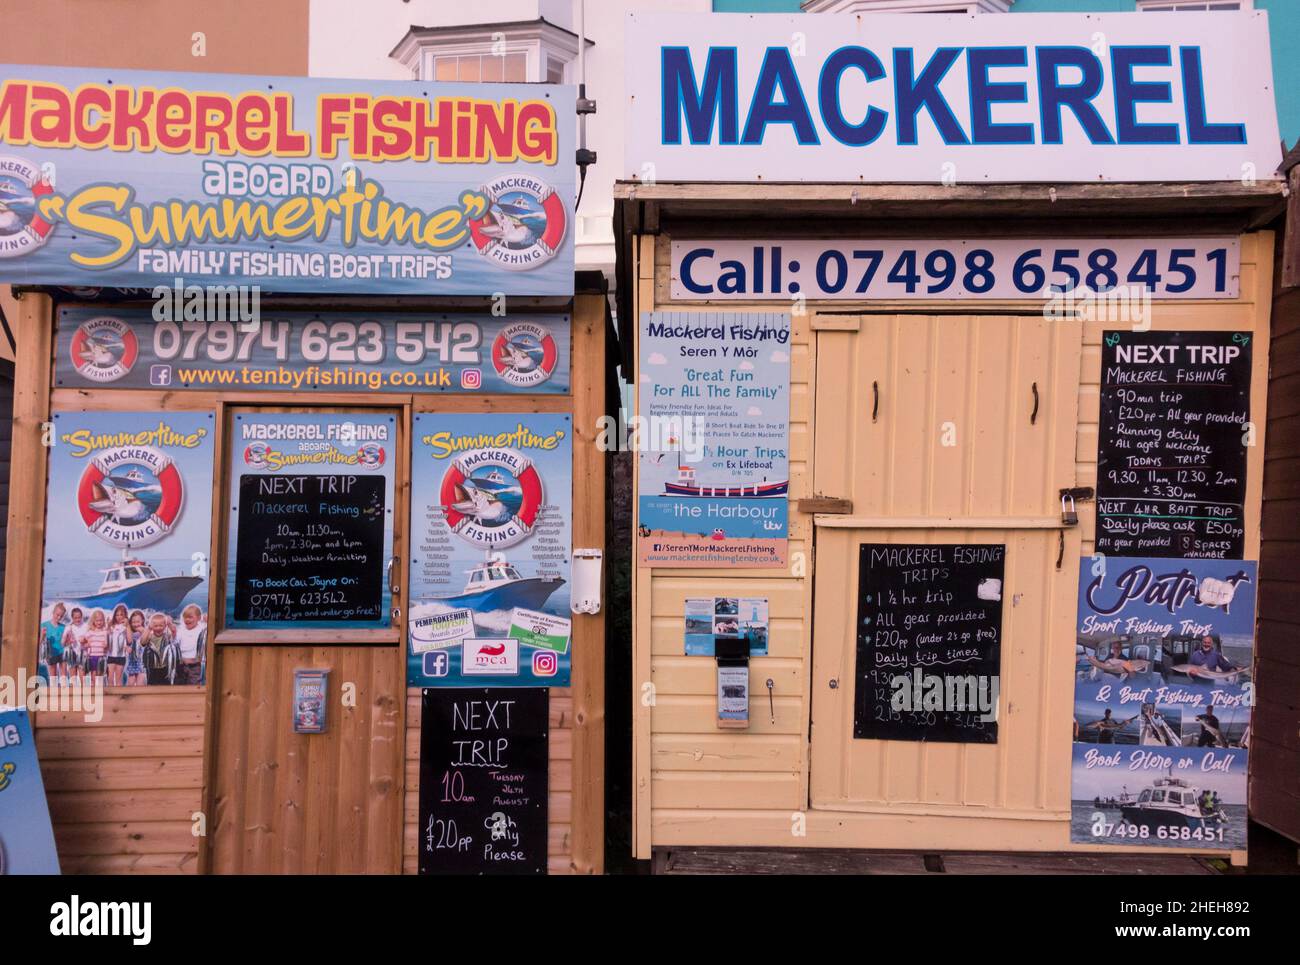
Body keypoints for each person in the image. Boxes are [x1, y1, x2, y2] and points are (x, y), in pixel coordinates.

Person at [141, 613, 178, 685]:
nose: (158, 628)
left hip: (165, 667)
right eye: (155, 626)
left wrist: (169, 624)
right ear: (152, 626)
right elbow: (142, 643)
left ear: (165, 626)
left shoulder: (167, 635)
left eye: (161, 625)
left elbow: (174, 631)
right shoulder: (149, 636)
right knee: (151, 686)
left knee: (166, 686)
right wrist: (148, 628)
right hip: (152, 667)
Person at [174, 604, 206, 686]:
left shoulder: (202, 628)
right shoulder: (181, 629)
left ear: (198, 618)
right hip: (181, 665)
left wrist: (207, 620)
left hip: (195, 666)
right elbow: (175, 642)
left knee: (193, 686)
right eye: (185, 617)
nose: (187, 619)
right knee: (179, 685)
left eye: (190, 617)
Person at [39, 603, 67, 685]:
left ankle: (64, 692)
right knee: (53, 675)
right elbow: (40, 642)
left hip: (62, 652)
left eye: (61, 616)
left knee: (63, 674)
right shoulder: (44, 625)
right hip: (50, 654)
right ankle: (53, 693)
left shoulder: (64, 627)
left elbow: (66, 642)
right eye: (57, 615)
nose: (59, 617)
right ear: (53, 612)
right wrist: (43, 635)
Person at [61, 607, 88, 684]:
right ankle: (73, 695)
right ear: (72, 618)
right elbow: (62, 643)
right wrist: (68, 641)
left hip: (83, 654)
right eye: (75, 618)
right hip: (71, 654)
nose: (77, 619)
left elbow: (89, 642)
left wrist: (84, 640)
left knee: (83, 678)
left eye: (79, 617)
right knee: (73, 679)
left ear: (82, 616)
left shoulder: (86, 626)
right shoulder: (68, 627)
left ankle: (84, 694)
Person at [106, 603, 130, 687]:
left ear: (125, 615)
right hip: (111, 655)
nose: (119, 617)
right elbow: (107, 637)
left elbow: (129, 640)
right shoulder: (111, 626)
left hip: (121, 656)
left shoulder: (125, 626)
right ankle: (110, 698)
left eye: (121, 615)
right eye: (117, 615)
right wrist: (108, 626)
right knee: (110, 678)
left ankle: (119, 698)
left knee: (119, 679)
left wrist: (127, 626)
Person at [82, 609, 109, 680]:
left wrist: (105, 645)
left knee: (100, 675)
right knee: (93, 675)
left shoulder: (105, 631)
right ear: (93, 621)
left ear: (103, 621)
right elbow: (83, 641)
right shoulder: (90, 632)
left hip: (101, 657)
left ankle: (99, 690)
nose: (99, 622)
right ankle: (93, 689)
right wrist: (85, 644)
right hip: (92, 656)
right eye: (97, 621)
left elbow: (106, 644)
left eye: (101, 620)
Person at [125, 610, 146, 686]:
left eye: (138, 621)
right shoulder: (129, 632)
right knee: (130, 682)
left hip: (141, 661)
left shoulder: (145, 631)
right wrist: (126, 647)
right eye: (133, 622)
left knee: (140, 683)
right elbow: (127, 642)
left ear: (142, 620)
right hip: (132, 661)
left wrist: (143, 631)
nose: (136, 624)